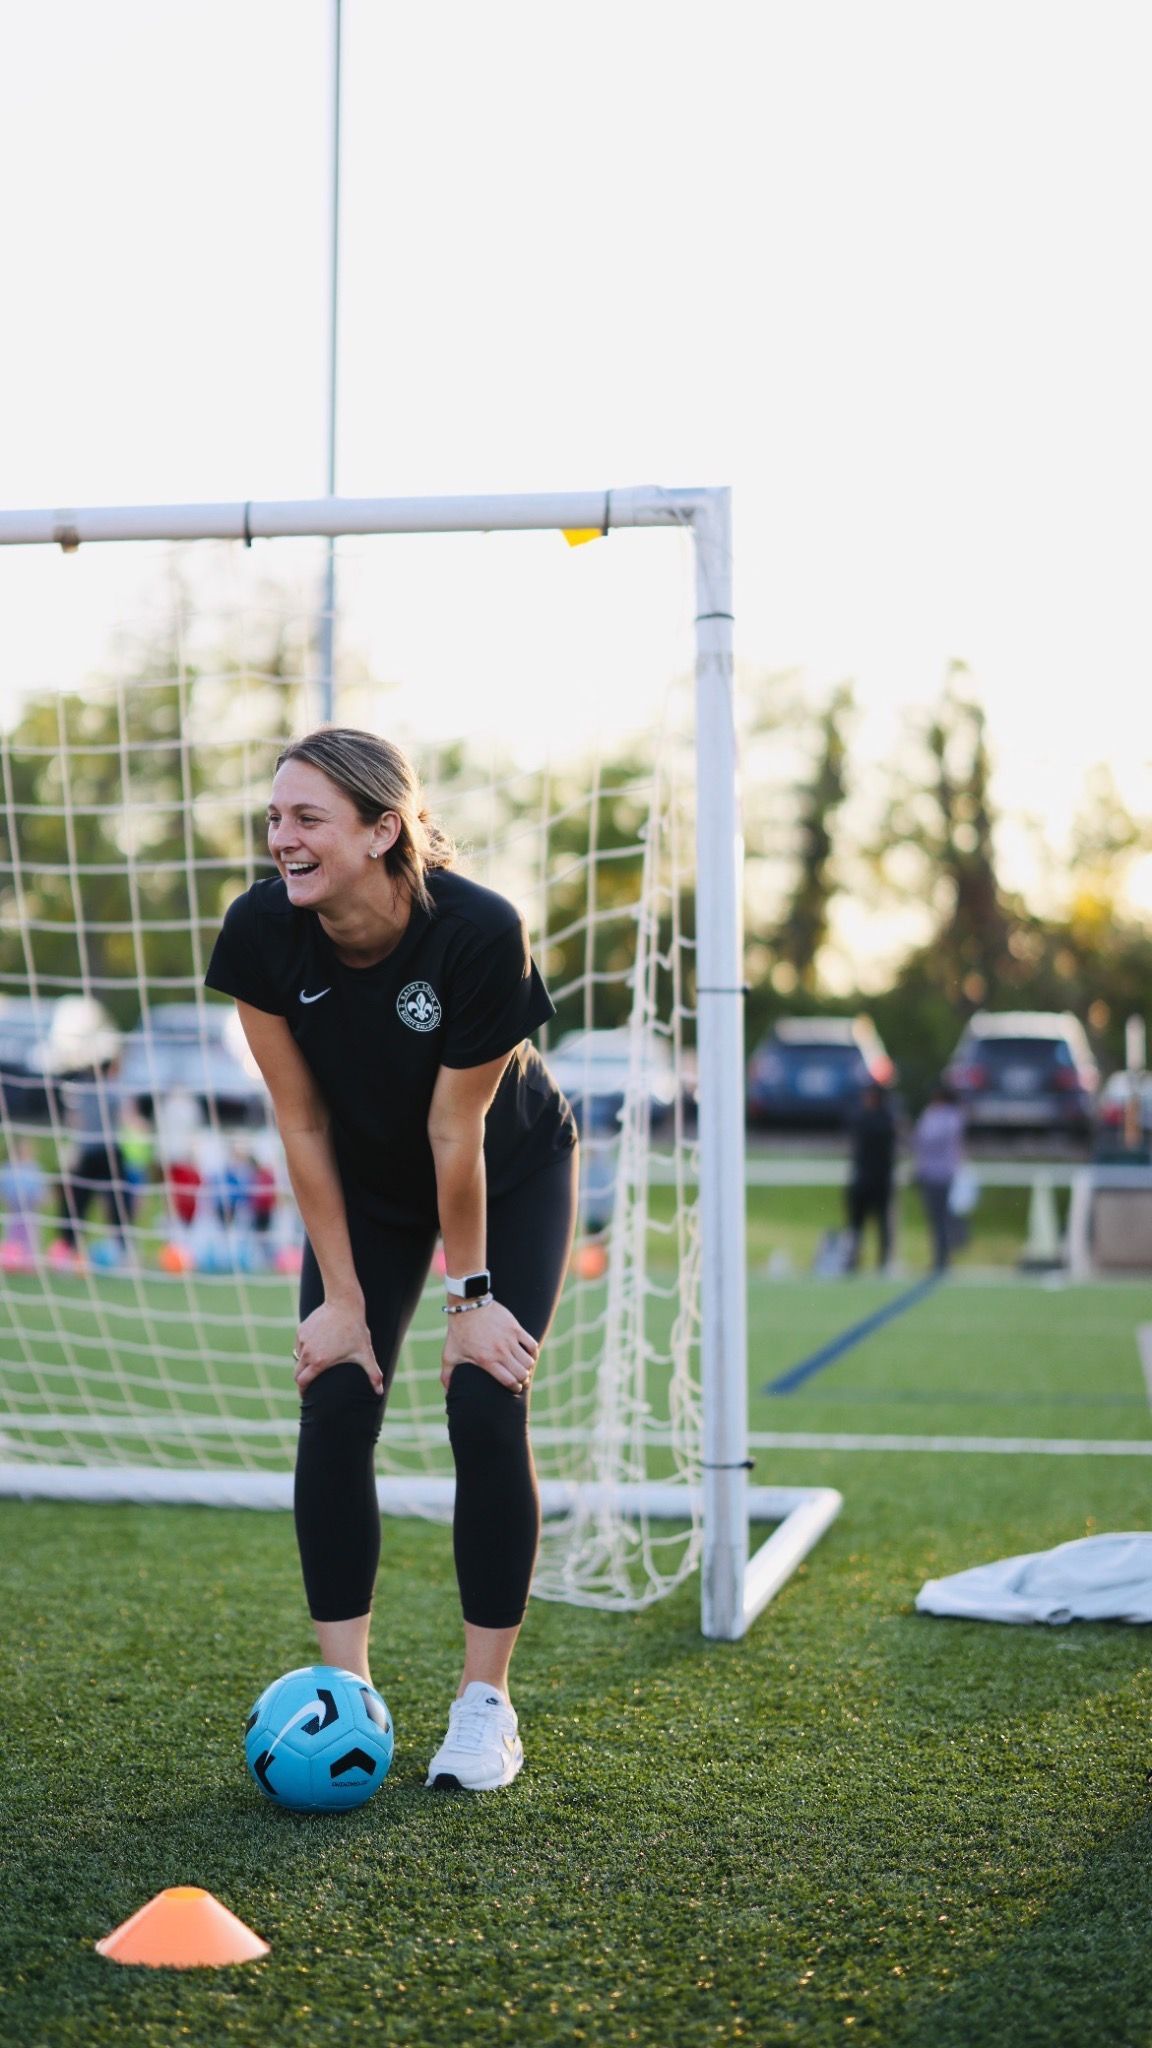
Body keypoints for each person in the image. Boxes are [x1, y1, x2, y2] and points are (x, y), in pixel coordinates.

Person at [205, 727, 578, 1793]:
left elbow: (456, 1136)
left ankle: (484, 1704)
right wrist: (344, 1302)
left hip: (504, 1170)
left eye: (307, 816)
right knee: (335, 1391)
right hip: (364, 1179)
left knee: (482, 1393)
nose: (282, 837)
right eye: (275, 816)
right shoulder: (260, 935)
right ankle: (345, 1693)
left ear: (383, 828)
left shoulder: (478, 930)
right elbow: (303, 1122)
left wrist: (473, 1297)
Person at [911, 1082, 966, 1272]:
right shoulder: (932, 1114)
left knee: (942, 1216)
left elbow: (929, 1138)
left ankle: (943, 1256)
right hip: (928, 1172)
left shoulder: (950, 1116)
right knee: (934, 1217)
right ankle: (939, 1255)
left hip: (942, 1173)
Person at [845, 1082, 897, 1271]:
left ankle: (883, 1260)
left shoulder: (881, 1119)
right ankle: (853, 1258)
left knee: (882, 1222)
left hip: (879, 1179)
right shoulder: (867, 1117)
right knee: (855, 1223)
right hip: (863, 1178)